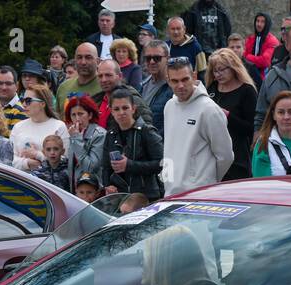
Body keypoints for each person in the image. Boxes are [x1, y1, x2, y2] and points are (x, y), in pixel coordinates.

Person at [162, 57, 233, 193]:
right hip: (171, 193)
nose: (180, 85)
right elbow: (169, 151)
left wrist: (205, 182)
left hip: (200, 195)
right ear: (168, 80)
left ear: (194, 76)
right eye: (175, 81)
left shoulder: (209, 109)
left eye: (185, 79)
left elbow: (225, 156)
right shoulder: (169, 106)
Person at [103, 88, 164, 199]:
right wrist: (109, 185)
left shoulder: (146, 131)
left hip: (147, 197)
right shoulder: (110, 135)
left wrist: (129, 165)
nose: (121, 113)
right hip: (120, 198)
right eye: (116, 109)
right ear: (111, 112)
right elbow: (106, 167)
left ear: (133, 109)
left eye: (125, 108)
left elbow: (162, 163)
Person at [206, 47, 257, 180]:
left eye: (222, 69)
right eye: (215, 71)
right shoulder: (211, 88)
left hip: (238, 157)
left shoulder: (247, 91)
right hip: (212, 155)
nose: (218, 74)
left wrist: (228, 116)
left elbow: (251, 128)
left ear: (234, 67)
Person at [12, 87, 68, 172]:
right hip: (22, 181)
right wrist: (27, 163)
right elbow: (10, 159)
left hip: (47, 183)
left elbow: (65, 161)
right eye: (22, 100)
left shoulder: (59, 126)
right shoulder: (18, 127)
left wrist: (37, 155)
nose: (23, 104)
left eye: (28, 100)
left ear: (42, 104)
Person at [66, 94, 107, 188]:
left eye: (80, 114)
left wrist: (76, 139)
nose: (77, 119)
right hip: (77, 190)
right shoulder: (73, 134)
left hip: (94, 191)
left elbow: (90, 168)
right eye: (73, 115)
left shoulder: (99, 134)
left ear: (90, 115)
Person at [245, 12, 280, 82]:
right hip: (248, 76)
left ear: (267, 24)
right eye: (257, 21)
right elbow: (243, 55)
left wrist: (248, 57)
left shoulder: (272, 41)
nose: (259, 24)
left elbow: (264, 61)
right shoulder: (250, 39)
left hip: (264, 78)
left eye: (262, 22)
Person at [95, 59, 123, 126]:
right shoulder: (95, 100)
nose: (103, 80)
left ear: (120, 76)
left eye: (108, 75)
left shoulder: (131, 99)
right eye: (100, 76)